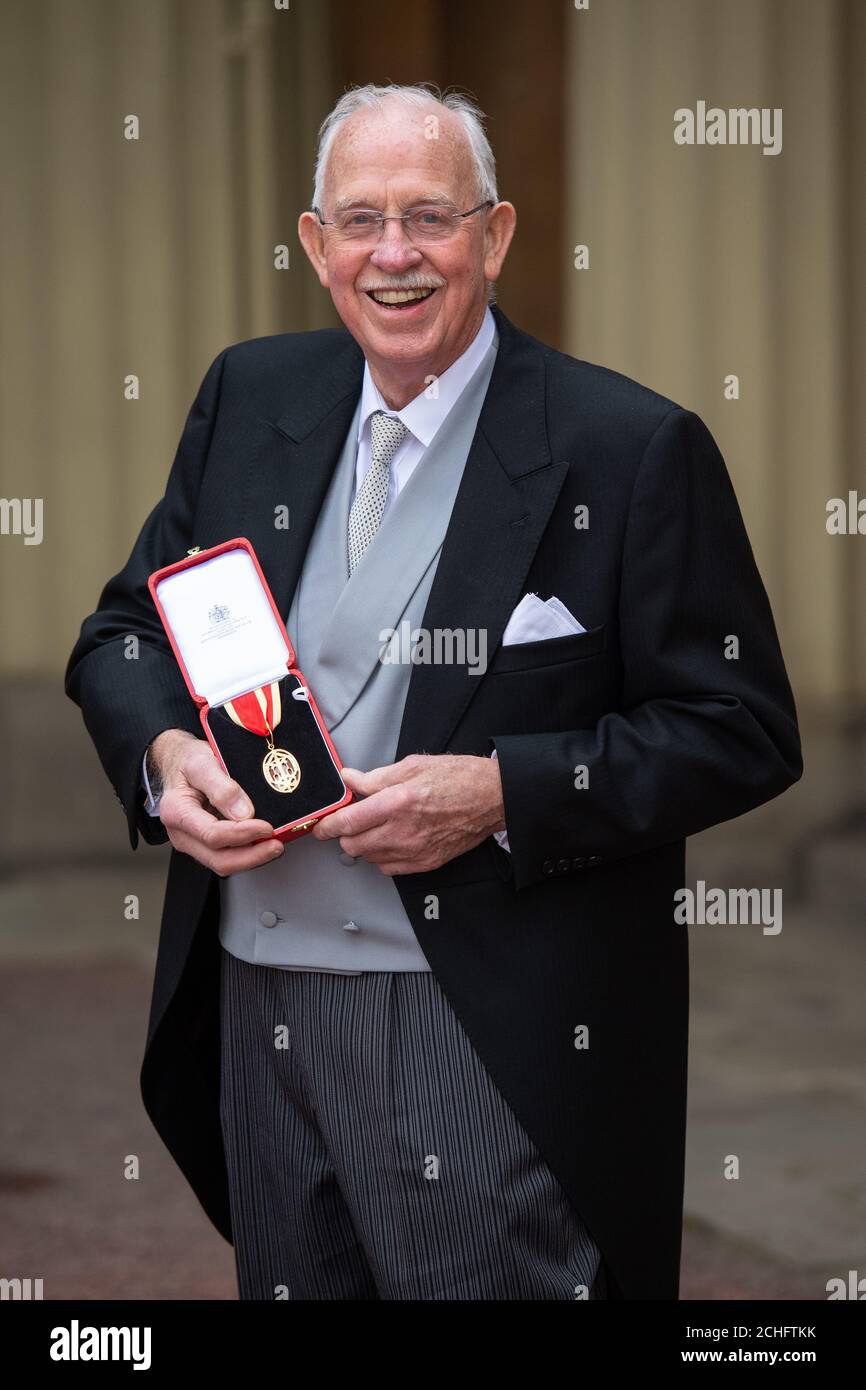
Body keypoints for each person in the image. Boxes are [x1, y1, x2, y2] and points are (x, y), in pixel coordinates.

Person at [65, 82, 802, 1300]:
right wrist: (165, 756)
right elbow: (126, 630)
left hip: (483, 1028)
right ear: (315, 245)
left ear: (493, 236)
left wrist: (500, 792)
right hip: (258, 1009)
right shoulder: (250, 396)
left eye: (428, 217)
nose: (393, 254)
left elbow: (738, 729)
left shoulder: (626, 447)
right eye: (359, 220)